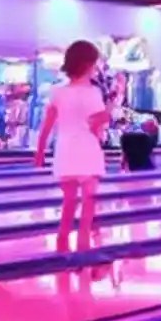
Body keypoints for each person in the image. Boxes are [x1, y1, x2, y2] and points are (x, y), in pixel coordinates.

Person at [35, 40, 110, 253]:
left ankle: (62, 244)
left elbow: (47, 125)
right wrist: (107, 115)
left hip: (66, 150)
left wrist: (40, 152)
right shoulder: (94, 93)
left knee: (69, 202)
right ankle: (83, 247)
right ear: (88, 64)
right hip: (87, 149)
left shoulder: (57, 92)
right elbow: (96, 126)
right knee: (88, 203)